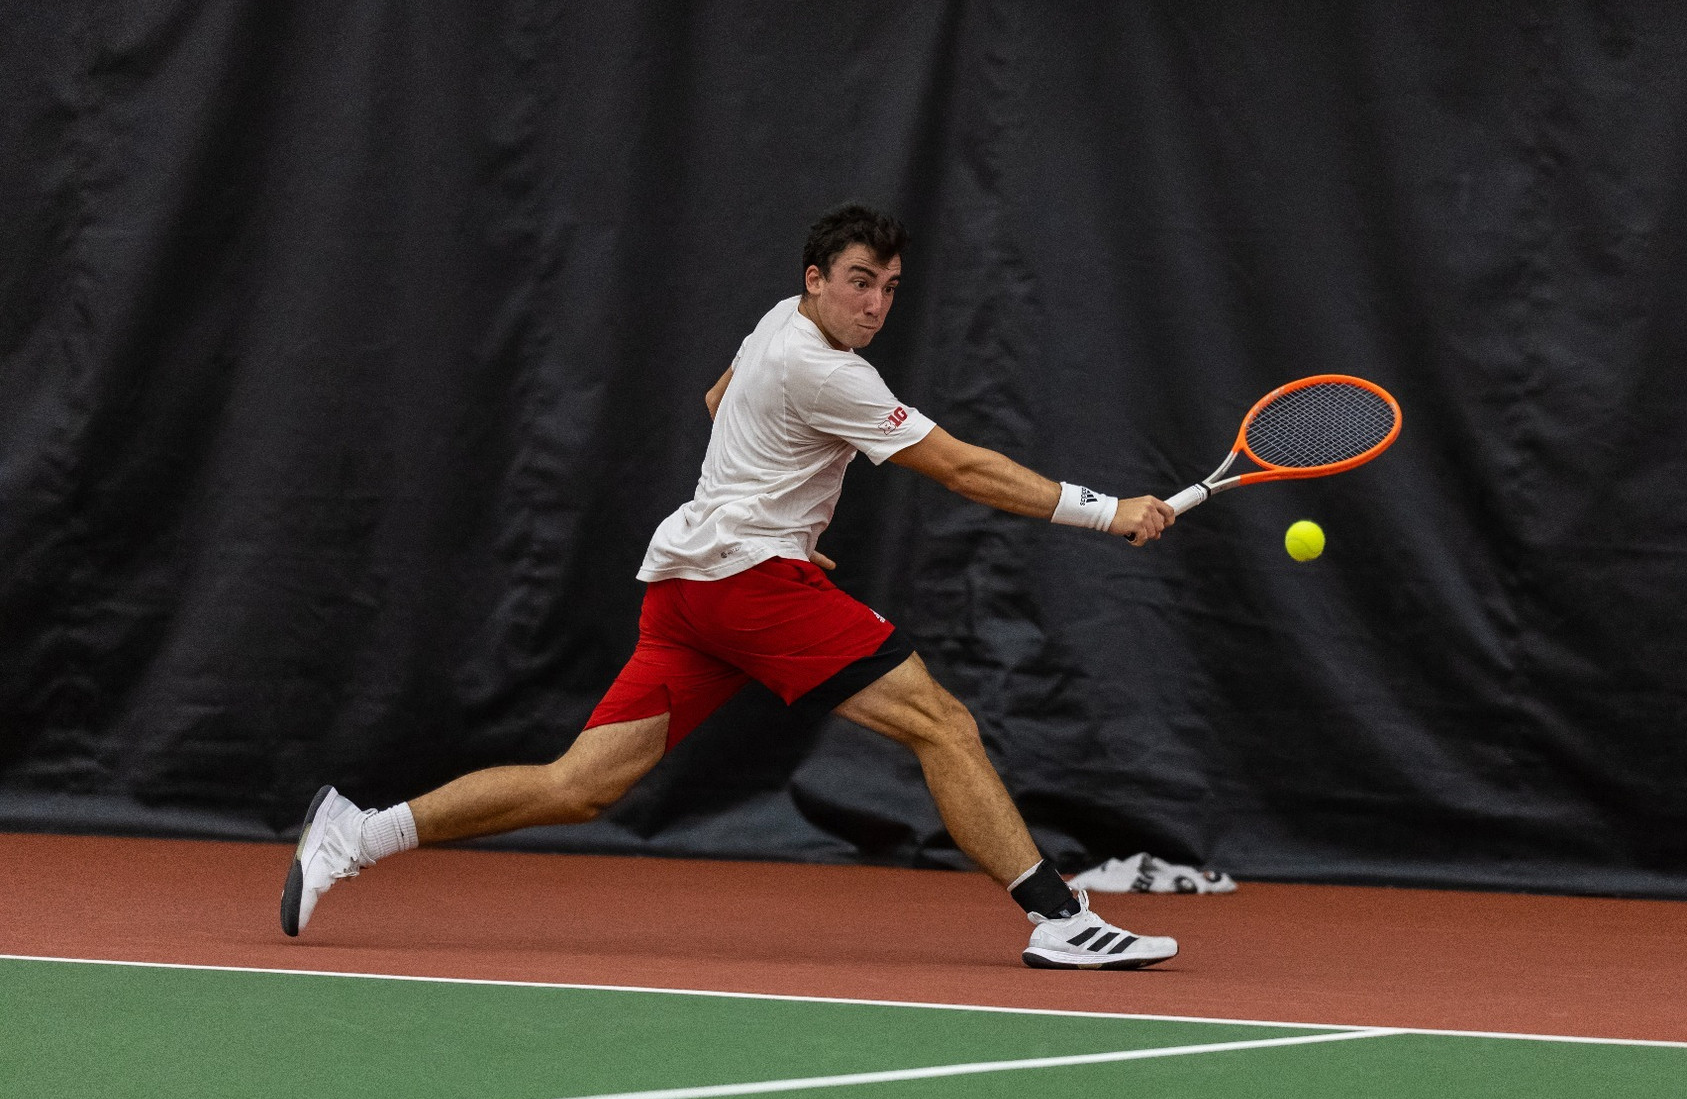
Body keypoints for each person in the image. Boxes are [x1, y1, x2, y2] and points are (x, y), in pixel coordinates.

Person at [281, 205, 1180, 969]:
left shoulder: (777, 321)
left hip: (693, 584)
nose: (876, 304)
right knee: (942, 724)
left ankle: (357, 834)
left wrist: (775, 516)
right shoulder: (828, 369)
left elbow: (720, 402)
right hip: (747, 583)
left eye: (891, 287)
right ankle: (1061, 920)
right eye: (860, 281)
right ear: (818, 278)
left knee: (580, 785)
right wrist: (1109, 511)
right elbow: (962, 469)